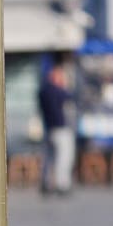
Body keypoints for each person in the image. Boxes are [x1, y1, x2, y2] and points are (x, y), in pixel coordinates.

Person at [38, 54, 76, 195]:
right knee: (64, 157)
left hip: (48, 128)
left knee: (49, 158)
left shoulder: (43, 91)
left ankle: (46, 183)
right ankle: (62, 184)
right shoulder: (57, 91)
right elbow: (69, 98)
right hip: (60, 128)